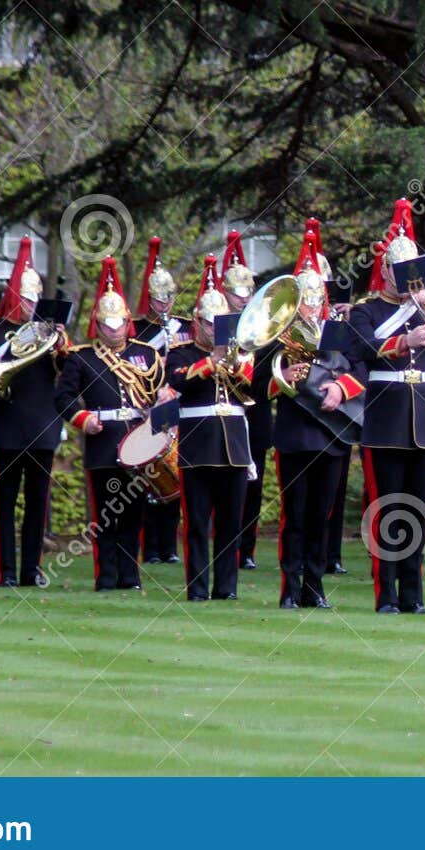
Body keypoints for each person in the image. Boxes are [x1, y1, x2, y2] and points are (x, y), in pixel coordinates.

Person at [328, 199, 425, 614]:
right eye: (398, 273)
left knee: (417, 511)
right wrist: (404, 340)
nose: (405, 281)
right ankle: (385, 594)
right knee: (386, 508)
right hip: (385, 418)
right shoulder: (366, 310)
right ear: (384, 271)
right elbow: (361, 349)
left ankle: (413, 595)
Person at [55, 258, 166, 591]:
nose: (114, 330)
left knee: (133, 515)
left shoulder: (146, 355)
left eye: (119, 324)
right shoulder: (81, 357)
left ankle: (130, 577)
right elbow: (63, 398)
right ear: (98, 324)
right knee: (105, 515)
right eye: (108, 325)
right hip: (102, 441)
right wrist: (83, 419)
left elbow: (160, 395)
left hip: (138, 438)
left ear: (127, 322)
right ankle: (105, 577)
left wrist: (160, 428)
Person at [0, 236, 65, 587]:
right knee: (5, 505)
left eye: (35, 298)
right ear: (12, 296)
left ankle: (31, 569)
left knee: (38, 506)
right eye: (25, 297)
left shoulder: (49, 332)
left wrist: (59, 344)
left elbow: (66, 375)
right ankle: (6, 572)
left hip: (42, 425)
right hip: (8, 425)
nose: (31, 304)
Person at [269, 222, 351, 609]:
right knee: (295, 516)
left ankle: (314, 588)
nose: (312, 305)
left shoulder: (338, 329)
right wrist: (281, 377)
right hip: (295, 433)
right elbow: (255, 386)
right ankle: (290, 587)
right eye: (306, 298)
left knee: (321, 515)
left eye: (317, 298)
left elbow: (359, 368)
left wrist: (341, 388)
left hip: (332, 435)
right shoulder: (275, 333)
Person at [166, 255, 255, 601]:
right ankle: (198, 587)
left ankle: (227, 587)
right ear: (197, 323)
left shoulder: (242, 353)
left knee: (231, 523)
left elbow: (251, 392)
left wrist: (233, 363)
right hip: (198, 444)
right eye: (208, 324)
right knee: (197, 524)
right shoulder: (181, 352)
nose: (213, 329)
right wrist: (210, 361)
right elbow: (179, 383)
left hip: (232, 442)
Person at [133, 235, 189, 566]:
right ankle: (149, 546)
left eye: (168, 298)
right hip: (148, 406)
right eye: (158, 298)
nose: (164, 304)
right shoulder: (138, 330)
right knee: (150, 478)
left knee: (174, 474)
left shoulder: (182, 327)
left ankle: (168, 546)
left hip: (177, 405)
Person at [219, 230, 272, 571]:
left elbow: (267, 374)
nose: (243, 298)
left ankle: (246, 548)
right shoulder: (216, 326)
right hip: (221, 414)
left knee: (253, 485)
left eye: (247, 292)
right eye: (237, 292)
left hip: (254, 412)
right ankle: (223, 545)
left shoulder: (264, 328)